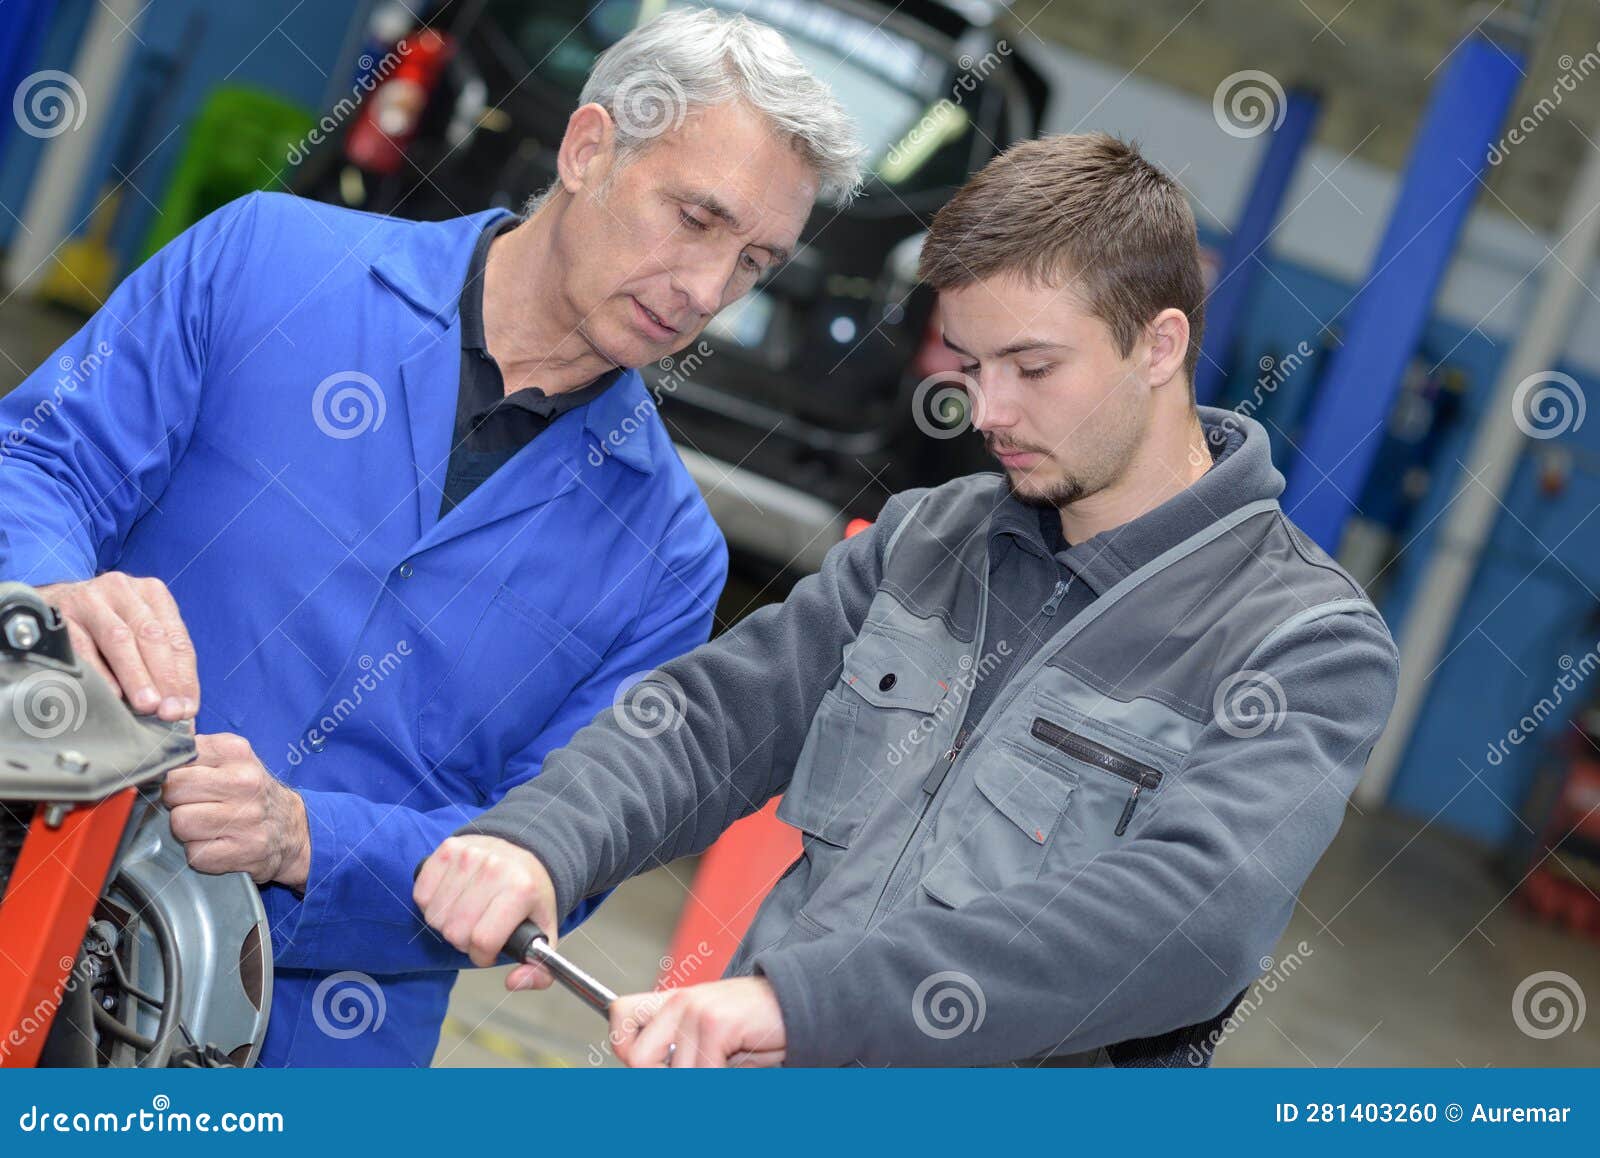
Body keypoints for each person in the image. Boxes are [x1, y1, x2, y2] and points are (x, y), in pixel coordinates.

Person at [415, 132, 1401, 1068]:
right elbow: (715, 721)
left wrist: (803, 1005)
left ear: (1158, 345)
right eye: (970, 367)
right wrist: (543, 838)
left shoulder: (1300, 644)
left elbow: (1184, 920)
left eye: (1033, 367)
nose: (988, 413)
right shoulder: (930, 539)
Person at [0, 8, 861, 1065]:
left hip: (309, 1048)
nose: (706, 292)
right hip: (35, 889)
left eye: (755, 263)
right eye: (694, 218)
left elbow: (561, 843)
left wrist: (306, 840)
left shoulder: (668, 558)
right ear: (590, 149)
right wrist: (55, 591)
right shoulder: (268, 263)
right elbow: (40, 462)